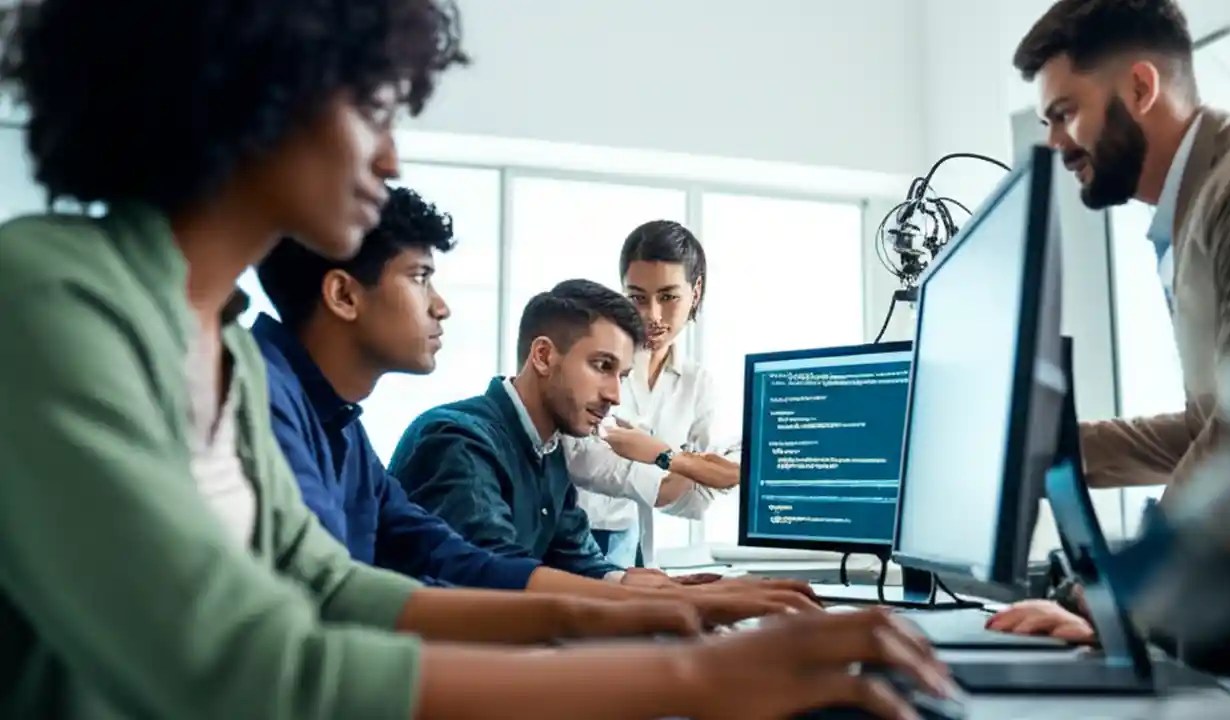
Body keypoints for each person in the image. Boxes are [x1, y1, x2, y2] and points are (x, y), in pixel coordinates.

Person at [0, 1, 956, 718]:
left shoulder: (232, 352)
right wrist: (689, 672)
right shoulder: (47, 297)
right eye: (371, 110)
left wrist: (622, 618)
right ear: (248, 89)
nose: (390, 160)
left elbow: (331, 583)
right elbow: (237, 660)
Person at [254, 186, 817, 622]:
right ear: (344, 294)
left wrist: (657, 590)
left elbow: (488, 558)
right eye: (422, 278)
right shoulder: (452, 439)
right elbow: (476, 579)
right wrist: (660, 621)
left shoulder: (345, 428)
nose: (443, 307)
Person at [986, 0, 1230, 655]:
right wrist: (1035, 454)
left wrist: (1122, 594)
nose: (1056, 143)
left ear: (1141, 87)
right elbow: (1206, 429)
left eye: (1065, 114)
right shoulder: (1195, 205)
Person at [564, 220, 740, 568]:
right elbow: (583, 460)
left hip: (635, 545)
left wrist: (664, 461)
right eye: (637, 298)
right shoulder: (594, 360)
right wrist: (682, 464)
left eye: (668, 297)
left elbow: (698, 500)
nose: (652, 316)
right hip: (567, 536)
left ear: (696, 290)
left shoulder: (698, 384)